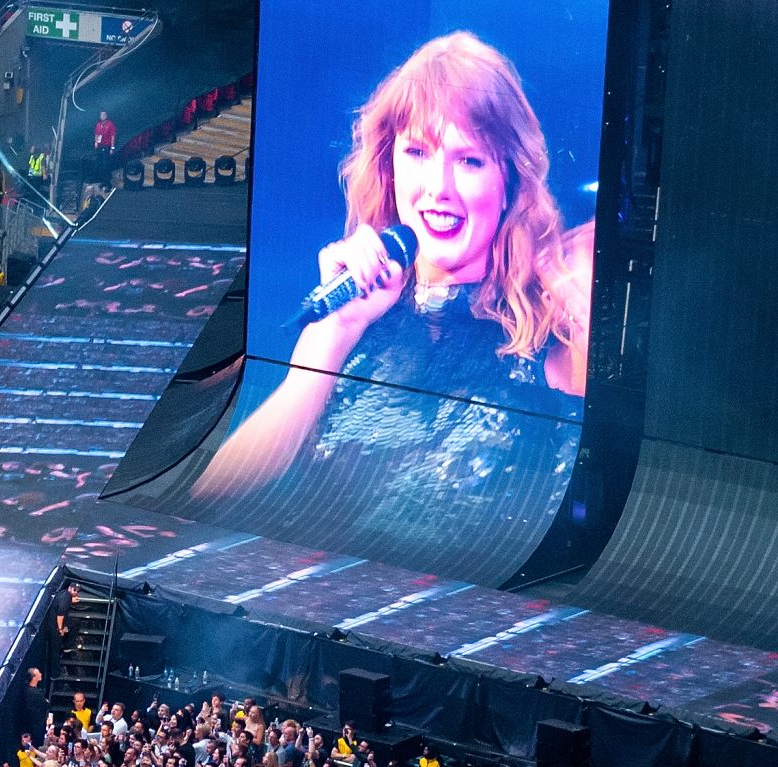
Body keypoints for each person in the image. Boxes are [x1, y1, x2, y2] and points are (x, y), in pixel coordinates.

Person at [192, 34, 593, 530]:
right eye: (418, 152)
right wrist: (335, 332)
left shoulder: (548, 326)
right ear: (389, 163)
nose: (438, 188)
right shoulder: (363, 318)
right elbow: (207, 495)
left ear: (509, 179)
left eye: (469, 160)